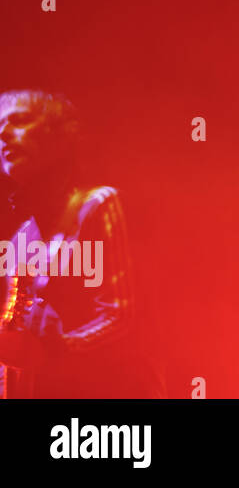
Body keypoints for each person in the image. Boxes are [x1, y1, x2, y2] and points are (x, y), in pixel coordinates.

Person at [0, 89, 159, 398]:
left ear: (62, 137)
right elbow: (14, 335)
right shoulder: (22, 236)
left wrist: (56, 353)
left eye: (19, 121)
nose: (3, 134)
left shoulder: (99, 204)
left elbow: (122, 316)